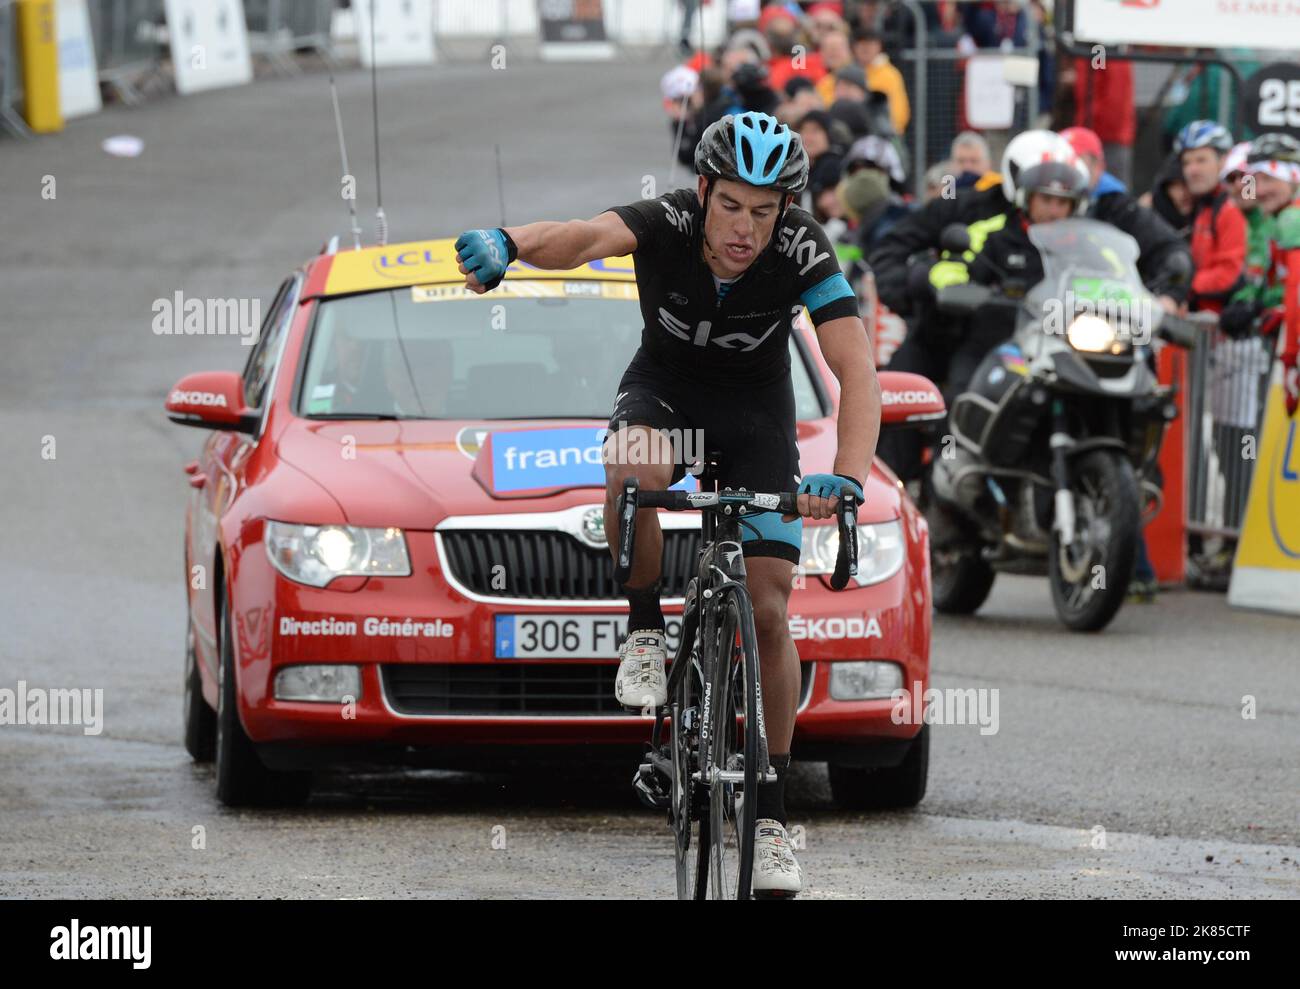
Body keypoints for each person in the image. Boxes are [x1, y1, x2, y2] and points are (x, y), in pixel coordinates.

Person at [454, 112, 881, 896]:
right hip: (665, 394)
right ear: (705, 190)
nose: (746, 228)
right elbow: (580, 238)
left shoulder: (804, 248)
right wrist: (511, 244)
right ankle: (647, 629)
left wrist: (847, 475)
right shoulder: (669, 220)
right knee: (634, 458)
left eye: (764, 210)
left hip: (756, 415)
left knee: (771, 608)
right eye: (732, 206)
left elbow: (857, 371)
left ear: (784, 209)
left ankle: (771, 814)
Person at [1060, 126, 1193, 311]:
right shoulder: (1040, 208)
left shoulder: (1120, 209)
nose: (1071, 173)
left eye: (1077, 163)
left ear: (1098, 167)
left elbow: (1169, 250)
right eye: (1063, 164)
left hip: (1108, 313)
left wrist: (1169, 297)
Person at [1172, 121, 1247, 315]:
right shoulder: (1203, 205)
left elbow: (1229, 274)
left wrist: (1181, 287)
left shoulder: (1231, 207)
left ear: (1223, 161)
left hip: (1227, 326)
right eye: (1186, 162)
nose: (1192, 170)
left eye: (1201, 160)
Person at [850, 26, 910, 135]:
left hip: (882, 134)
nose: (865, 48)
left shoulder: (890, 75)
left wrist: (890, 133)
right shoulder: (846, 72)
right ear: (854, 47)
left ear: (879, 46)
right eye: (861, 43)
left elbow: (899, 110)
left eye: (870, 43)